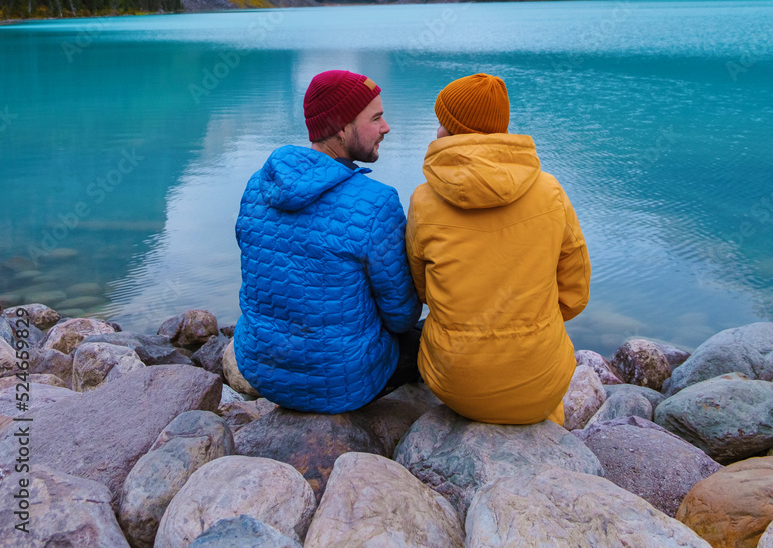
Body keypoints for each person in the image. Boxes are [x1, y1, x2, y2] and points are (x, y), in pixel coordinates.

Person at [405, 72, 590, 425]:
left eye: (442, 123)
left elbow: (423, 291)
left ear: (455, 130)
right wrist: (529, 322)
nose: (437, 131)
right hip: (541, 380)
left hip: (455, 381)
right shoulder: (550, 192)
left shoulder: (423, 201)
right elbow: (575, 294)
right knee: (546, 384)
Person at [234, 69, 422, 413]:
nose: (386, 127)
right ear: (341, 129)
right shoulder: (376, 202)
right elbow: (401, 317)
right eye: (376, 118)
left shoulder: (257, 186)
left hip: (260, 366)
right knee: (431, 338)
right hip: (340, 382)